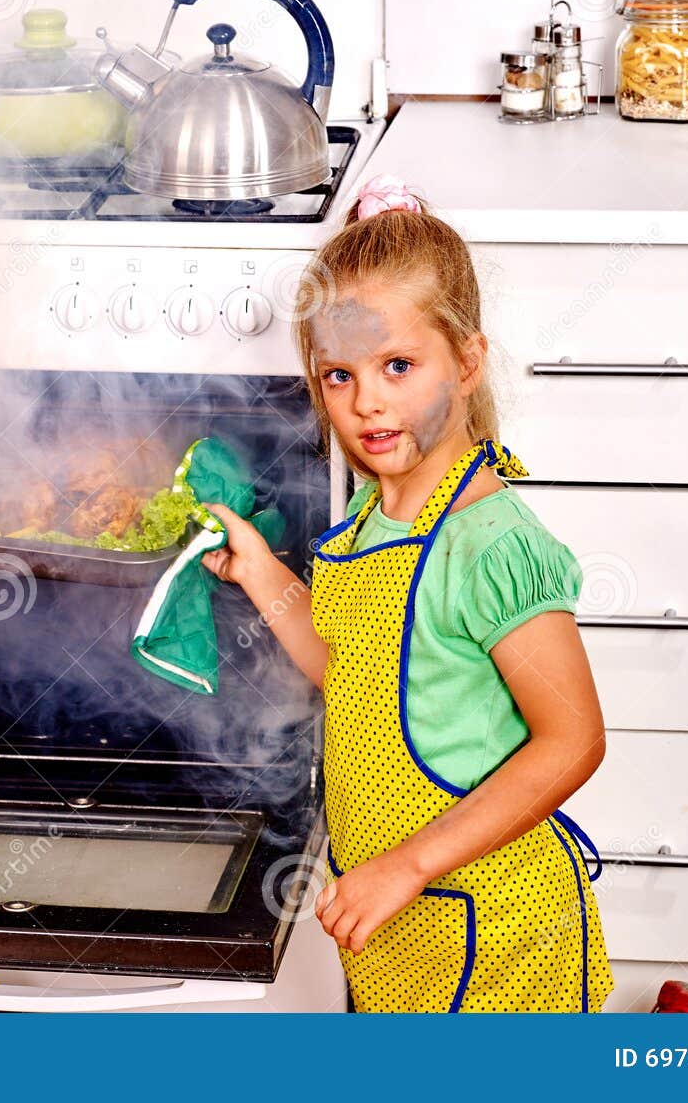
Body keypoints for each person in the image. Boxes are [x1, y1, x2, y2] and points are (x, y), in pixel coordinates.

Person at [204, 175, 613, 1013]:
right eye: (339, 376)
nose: (368, 402)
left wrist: (408, 864)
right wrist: (259, 571)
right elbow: (348, 668)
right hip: (402, 926)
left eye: (398, 365)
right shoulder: (370, 515)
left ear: (465, 362)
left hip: (499, 932)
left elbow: (573, 739)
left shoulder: (490, 544)